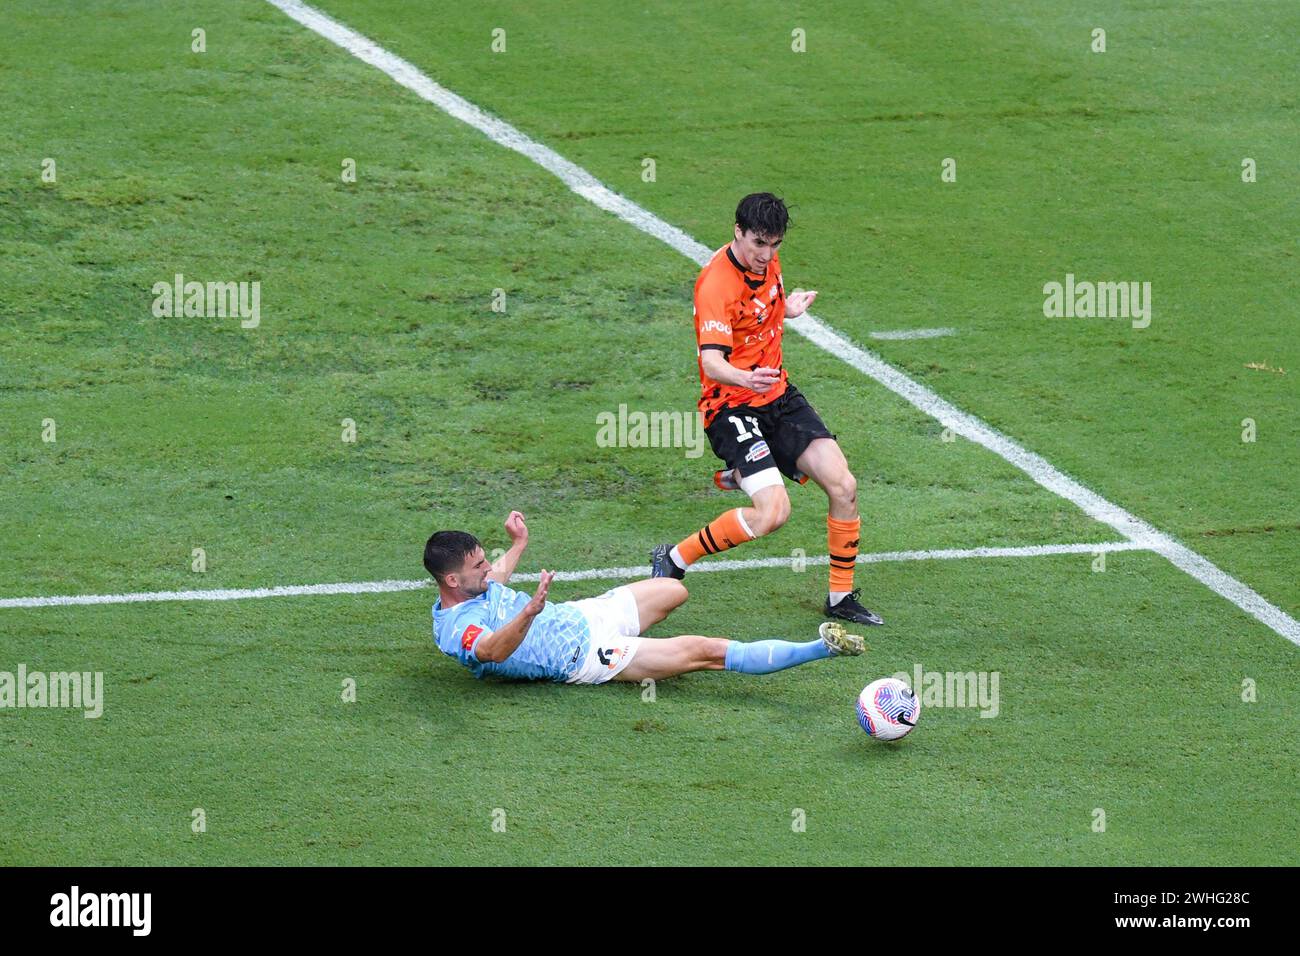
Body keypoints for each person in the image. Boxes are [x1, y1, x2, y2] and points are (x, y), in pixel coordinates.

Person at [651, 192, 883, 626]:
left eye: (775, 245)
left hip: (778, 396)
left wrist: (786, 310)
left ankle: (840, 597)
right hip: (731, 405)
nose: (767, 255)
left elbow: (759, 312)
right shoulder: (716, 284)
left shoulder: (767, 261)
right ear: (737, 232)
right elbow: (712, 363)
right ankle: (675, 555)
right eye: (759, 244)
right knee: (774, 513)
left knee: (843, 485)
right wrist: (745, 378)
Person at [425, 511, 865, 684]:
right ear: (450, 581)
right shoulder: (456, 630)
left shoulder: (475, 583)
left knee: (675, 589)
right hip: (586, 655)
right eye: (477, 567)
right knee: (702, 651)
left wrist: (518, 544)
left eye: (485, 560)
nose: (488, 569)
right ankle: (822, 648)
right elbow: (494, 651)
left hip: (582, 613)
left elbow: (496, 579)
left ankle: (657, 589)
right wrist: (531, 612)